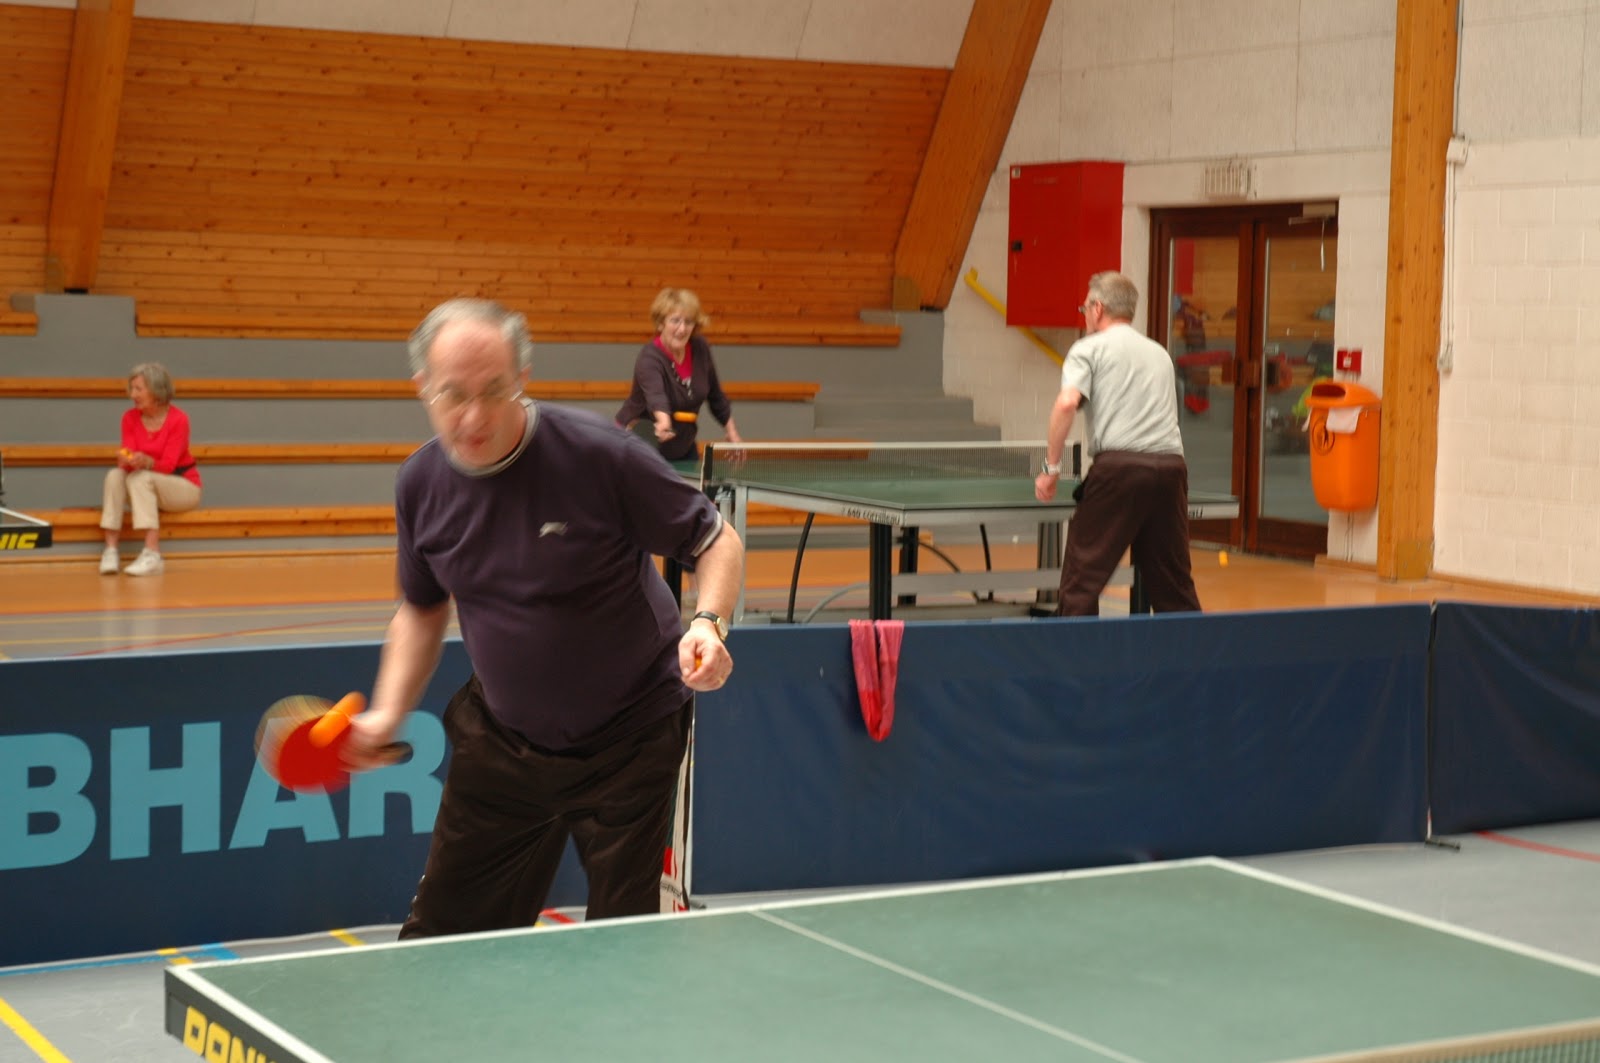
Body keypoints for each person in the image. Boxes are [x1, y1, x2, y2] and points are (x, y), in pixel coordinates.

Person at [341, 297, 744, 937]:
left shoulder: (598, 455)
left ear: (522, 378)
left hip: (633, 738)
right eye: (452, 395)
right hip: (503, 741)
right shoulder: (419, 484)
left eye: (493, 391)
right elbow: (421, 609)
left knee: (631, 950)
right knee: (440, 949)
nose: (473, 417)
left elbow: (715, 540)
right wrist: (389, 712)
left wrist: (708, 623)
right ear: (422, 389)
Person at [1035, 272, 1202, 617]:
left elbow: (1067, 403)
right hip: (1171, 470)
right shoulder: (1159, 354)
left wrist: (1050, 469)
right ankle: (1194, 664)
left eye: (1084, 307)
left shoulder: (1088, 348)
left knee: (1081, 581)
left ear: (1098, 308)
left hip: (1120, 470)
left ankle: (1077, 667)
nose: (1084, 314)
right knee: (1173, 585)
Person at [614, 288, 743, 462]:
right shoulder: (650, 358)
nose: (682, 329)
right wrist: (664, 421)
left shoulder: (700, 348)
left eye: (688, 322)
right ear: (661, 323)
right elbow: (656, 396)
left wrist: (732, 433)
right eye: (675, 321)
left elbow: (716, 396)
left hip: (682, 445)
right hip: (638, 445)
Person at [99, 362, 202, 576]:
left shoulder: (178, 419)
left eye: (138, 389)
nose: (132, 394)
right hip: (145, 483)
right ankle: (110, 550)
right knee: (114, 475)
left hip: (183, 486)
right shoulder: (129, 417)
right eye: (131, 388)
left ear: (156, 390)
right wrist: (126, 460)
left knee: (140, 478)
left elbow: (169, 465)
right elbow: (127, 457)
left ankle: (152, 553)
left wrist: (146, 462)